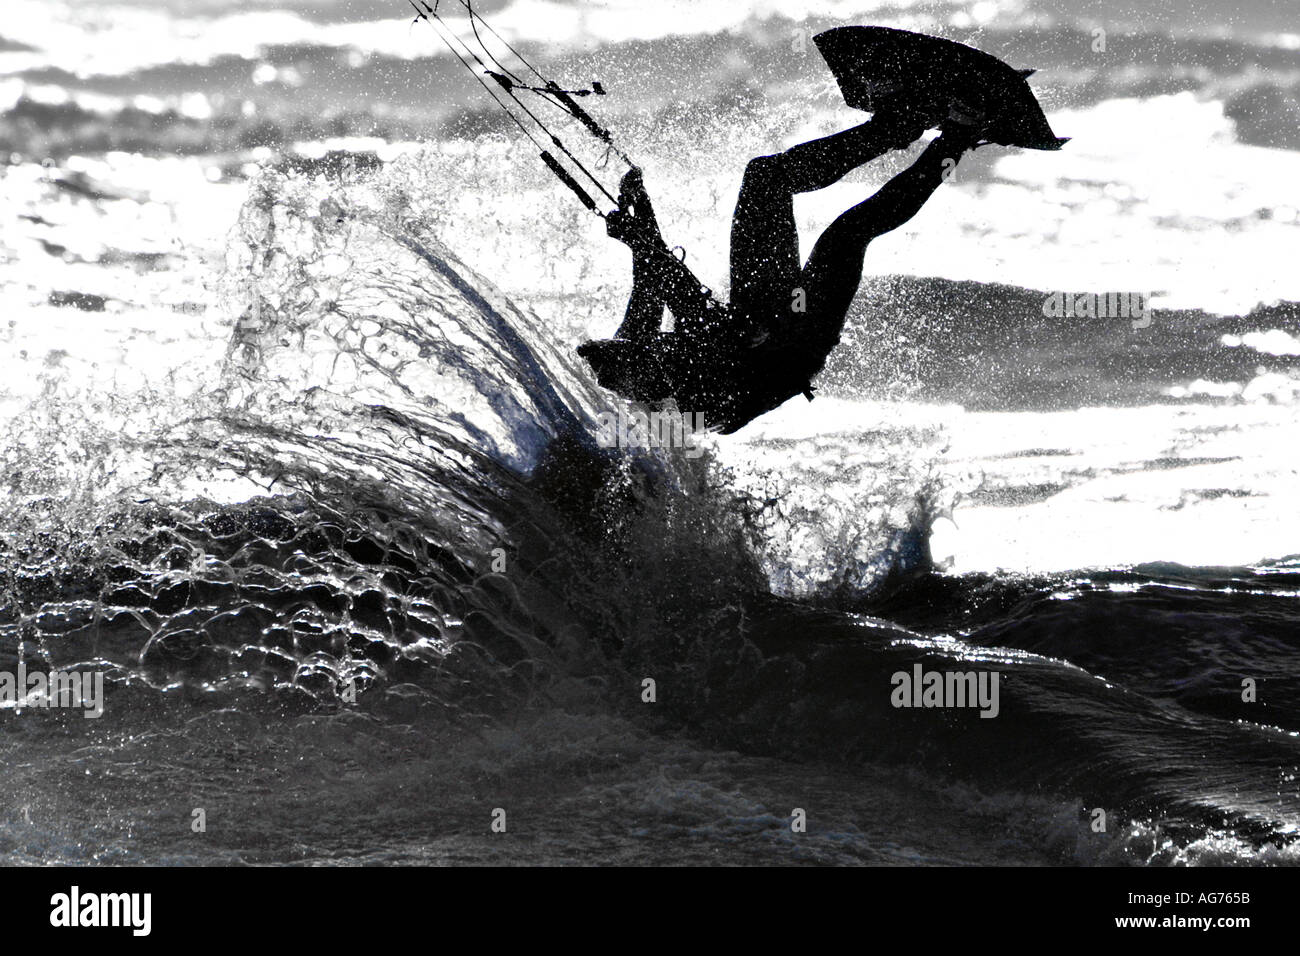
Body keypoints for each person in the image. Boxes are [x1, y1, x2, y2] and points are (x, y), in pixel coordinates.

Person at [577, 104, 989, 434]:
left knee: (765, 177)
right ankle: (958, 136)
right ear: (639, 383)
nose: (639, 345)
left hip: (756, 315)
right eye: (634, 357)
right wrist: (640, 240)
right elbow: (689, 301)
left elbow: (653, 278)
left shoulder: (635, 347)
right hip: (796, 339)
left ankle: (897, 124)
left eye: (626, 346)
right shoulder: (690, 402)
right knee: (847, 234)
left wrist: (639, 209)